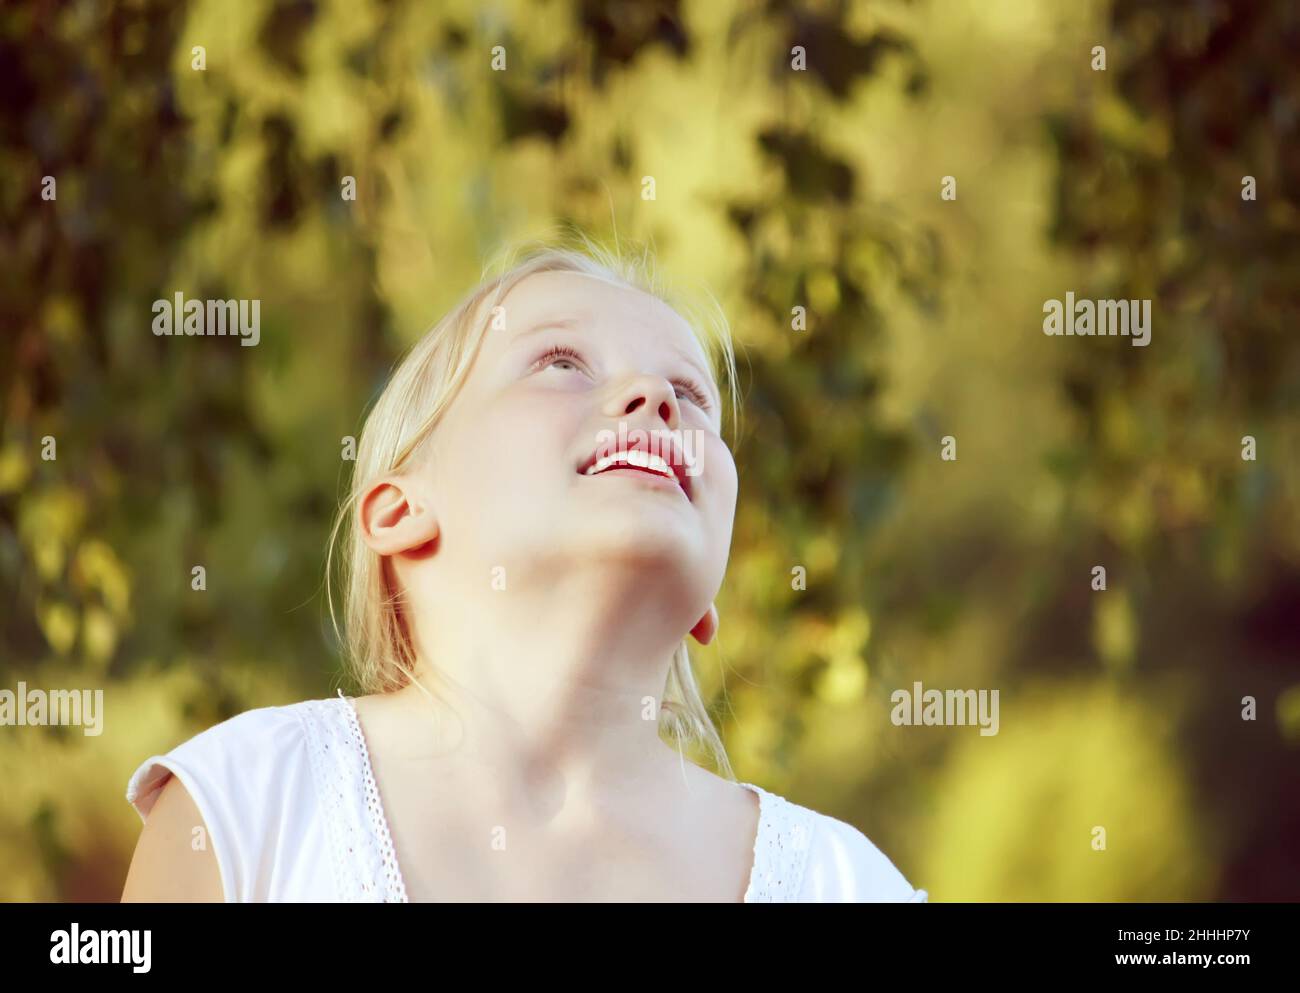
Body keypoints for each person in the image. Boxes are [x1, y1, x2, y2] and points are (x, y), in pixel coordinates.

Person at [120, 240, 928, 903]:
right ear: (401, 511)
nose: (654, 397)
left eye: (691, 392)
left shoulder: (845, 883)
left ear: (707, 598)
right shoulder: (248, 807)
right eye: (563, 363)